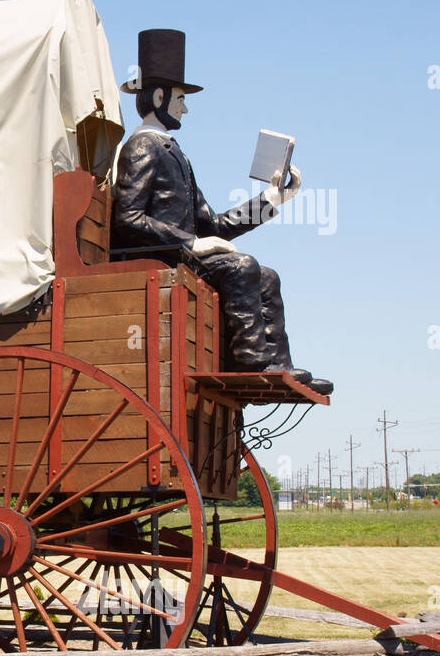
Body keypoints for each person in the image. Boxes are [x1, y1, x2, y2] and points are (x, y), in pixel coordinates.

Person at [110, 28, 331, 396]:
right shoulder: (142, 147)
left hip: (181, 255)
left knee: (266, 277)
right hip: (161, 258)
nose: (185, 107)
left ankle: (279, 365)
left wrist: (273, 198)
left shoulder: (173, 152)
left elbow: (212, 224)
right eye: (180, 98)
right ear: (160, 97)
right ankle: (251, 360)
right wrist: (190, 243)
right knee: (242, 267)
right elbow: (127, 218)